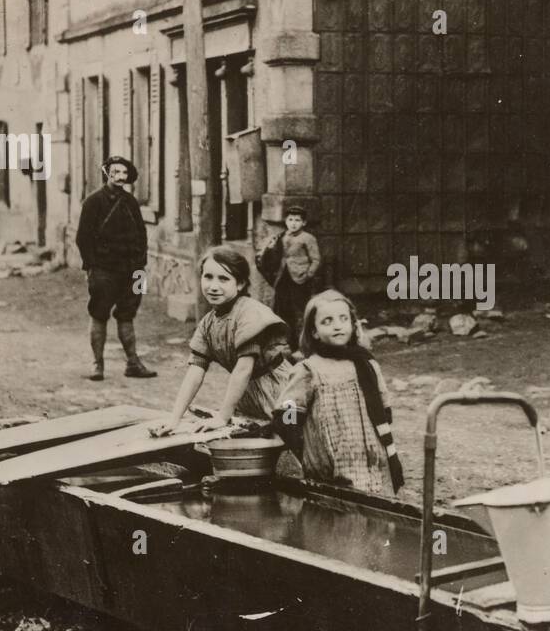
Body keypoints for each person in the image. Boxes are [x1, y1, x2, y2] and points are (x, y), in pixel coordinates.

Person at [151, 247, 293, 436]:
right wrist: (174, 419)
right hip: (246, 394)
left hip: (280, 389)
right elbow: (195, 372)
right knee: (253, 448)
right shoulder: (208, 324)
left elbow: (243, 370)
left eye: (224, 279)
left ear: (240, 284)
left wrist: (222, 417)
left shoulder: (249, 313)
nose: (213, 286)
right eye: (208, 277)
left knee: (293, 444)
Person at [273, 290, 404, 495]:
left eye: (343, 319)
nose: (337, 325)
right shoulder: (308, 370)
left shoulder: (366, 363)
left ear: (353, 324)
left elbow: (384, 410)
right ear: (314, 331)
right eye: (327, 321)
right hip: (331, 467)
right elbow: (287, 415)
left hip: (371, 457)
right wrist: (306, 446)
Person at [75, 156, 156, 380]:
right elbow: (83, 238)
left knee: (128, 314)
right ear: (107, 173)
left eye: (124, 173)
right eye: (115, 172)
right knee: (99, 314)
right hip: (103, 270)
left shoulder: (130, 202)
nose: (120, 176)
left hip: (133, 269)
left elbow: (141, 234)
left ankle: (133, 363)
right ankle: (97, 365)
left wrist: (141, 265)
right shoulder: (93, 202)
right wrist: (91, 268)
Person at [263, 204, 322, 350]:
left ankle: (306, 343)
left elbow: (316, 259)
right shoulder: (281, 236)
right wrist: (271, 248)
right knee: (282, 309)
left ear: (304, 223)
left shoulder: (308, 238)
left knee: (300, 310)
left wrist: (308, 274)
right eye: (290, 219)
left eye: (297, 220)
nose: (293, 223)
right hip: (283, 277)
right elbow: (275, 255)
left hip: (300, 278)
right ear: (286, 221)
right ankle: (289, 342)